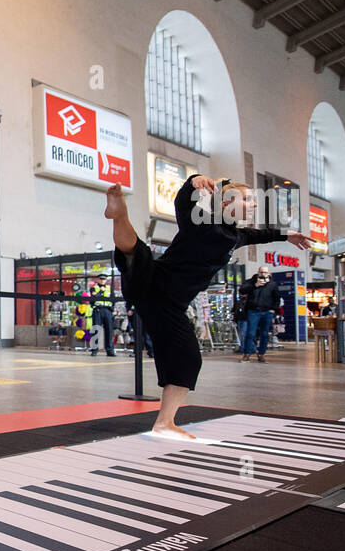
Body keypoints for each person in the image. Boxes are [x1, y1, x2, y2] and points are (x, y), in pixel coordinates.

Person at [104, 176, 311, 439]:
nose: (253, 205)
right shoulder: (202, 223)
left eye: (254, 201)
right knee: (138, 254)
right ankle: (119, 213)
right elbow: (181, 203)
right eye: (247, 199)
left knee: (187, 359)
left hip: (171, 303)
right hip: (157, 284)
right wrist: (194, 182)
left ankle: (165, 423)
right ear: (225, 203)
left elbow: (261, 234)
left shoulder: (234, 235)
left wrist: (288, 235)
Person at [241, 265, 281, 363]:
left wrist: (273, 309)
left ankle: (261, 354)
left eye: (265, 273)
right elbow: (242, 290)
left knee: (264, 334)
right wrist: (255, 285)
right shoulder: (251, 281)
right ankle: (247, 354)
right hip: (253, 311)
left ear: (269, 274)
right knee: (250, 333)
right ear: (258, 272)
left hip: (267, 312)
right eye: (261, 272)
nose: (263, 274)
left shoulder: (272, 284)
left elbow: (277, 298)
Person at [232, 280, 251, 354]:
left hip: (245, 319)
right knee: (241, 334)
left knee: (243, 334)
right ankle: (242, 347)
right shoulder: (238, 301)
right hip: (239, 319)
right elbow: (235, 310)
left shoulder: (246, 301)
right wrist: (234, 319)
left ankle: (243, 348)